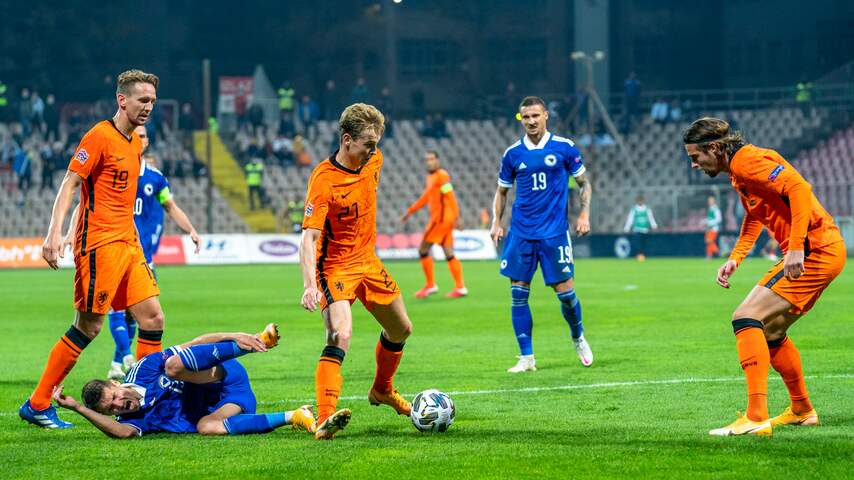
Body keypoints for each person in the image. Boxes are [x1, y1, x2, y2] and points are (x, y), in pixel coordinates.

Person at [19, 70, 168, 430]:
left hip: (129, 244)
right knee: (88, 326)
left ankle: (141, 402)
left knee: (153, 319)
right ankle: (38, 403)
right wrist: (54, 233)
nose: (148, 107)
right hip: (100, 245)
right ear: (122, 100)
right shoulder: (100, 136)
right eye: (142, 100)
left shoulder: (135, 145)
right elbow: (71, 184)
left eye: (152, 101)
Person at [683, 117, 845, 436]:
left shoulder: (747, 161)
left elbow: (799, 188)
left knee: (746, 317)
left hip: (815, 249)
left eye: (695, 156)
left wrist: (796, 247)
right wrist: (736, 257)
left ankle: (756, 417)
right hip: (819, 249)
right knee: (770, 330)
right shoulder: (739, 169)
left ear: (713, 148)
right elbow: (756, 215)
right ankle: (802, 410)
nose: (694, 164)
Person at [299, 103, 413, 440]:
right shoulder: (324, 181)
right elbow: (309, 238)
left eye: (377, 144)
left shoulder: (373, 161)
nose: (374, 151)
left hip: (368, 261)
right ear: (347, 140)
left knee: (401, 329)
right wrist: (309, 285)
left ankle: (382, 389)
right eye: (368, 144)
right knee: (340, 334)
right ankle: (325, 419)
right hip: (335, 267)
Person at [52, 324, 324, 438]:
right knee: (206, 427)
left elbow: (194, 344)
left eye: (114, 397)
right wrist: (77, 408)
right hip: (232, 403)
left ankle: (255, 344)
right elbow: (122, 434)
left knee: (173, 365)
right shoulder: (131, 421)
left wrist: (234, 336)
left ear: (114, 384)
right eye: (110, 409)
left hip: (222, 375)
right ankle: (295, 416)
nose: (118, 405)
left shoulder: (142, 369)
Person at [490, 96, 594, 373]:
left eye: (536, 115)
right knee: (518, 295)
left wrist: (584, 215)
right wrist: (496, 222)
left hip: (554, 233)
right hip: (521, 233)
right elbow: (502, 191)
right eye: (526, 117)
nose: (531, 121)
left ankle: (578, 336)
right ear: (520, 119)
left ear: (546, 115)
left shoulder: (564, 147)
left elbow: (584, 183)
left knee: (566, 295)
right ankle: (527, 357)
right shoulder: (512, 153)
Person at [103, 125, 202, 381]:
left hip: (143, 258)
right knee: (116, 309)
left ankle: (117, 363)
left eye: (143, 135)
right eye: (135, 134)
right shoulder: (112, 170)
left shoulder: (156, 178)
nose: (139, 138)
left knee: (140, 315)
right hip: (115, 252)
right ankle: (127, 356)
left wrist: (191, 229)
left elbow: (171, 206)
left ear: (147, 142)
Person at [401, 150, 467, 299]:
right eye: (427, 159)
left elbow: (450, 196)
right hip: (442, 220)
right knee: (449, 253)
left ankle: (430, 285)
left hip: (441, 220)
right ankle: (460, 287)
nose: (429, 162)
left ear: (438, 160)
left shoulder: (442, 176)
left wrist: (457, 217)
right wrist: (410, 211)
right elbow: (426, 197)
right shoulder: (430, 177)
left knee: (423, 249)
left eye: (432, 159)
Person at [624, 195, 658, 261]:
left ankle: (643, 255)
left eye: (641, 200)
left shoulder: (647, 209)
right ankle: (639, 255)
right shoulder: (634, 209)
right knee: (637, 243)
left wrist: (654, 225)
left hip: (645, 229)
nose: (640, 202)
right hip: (637, 229)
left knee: (644, 244)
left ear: (643, 201)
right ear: (637, 201)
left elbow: (650, 218)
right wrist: (627, 227)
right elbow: (630, 219)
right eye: (639, 201)